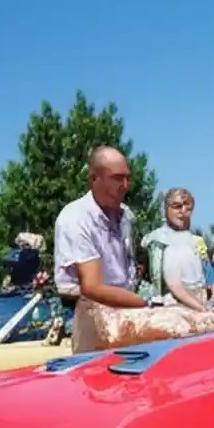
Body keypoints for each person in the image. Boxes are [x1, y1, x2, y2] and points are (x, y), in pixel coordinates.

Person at [54, 146, 147, 351]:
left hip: (123, 310)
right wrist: (144, 305)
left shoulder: (126, 216)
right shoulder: (75, 218)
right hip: (83, 314)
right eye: (116, 178)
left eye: (127, 178)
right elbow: (92, 287)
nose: (125, 186)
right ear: (94, 179)